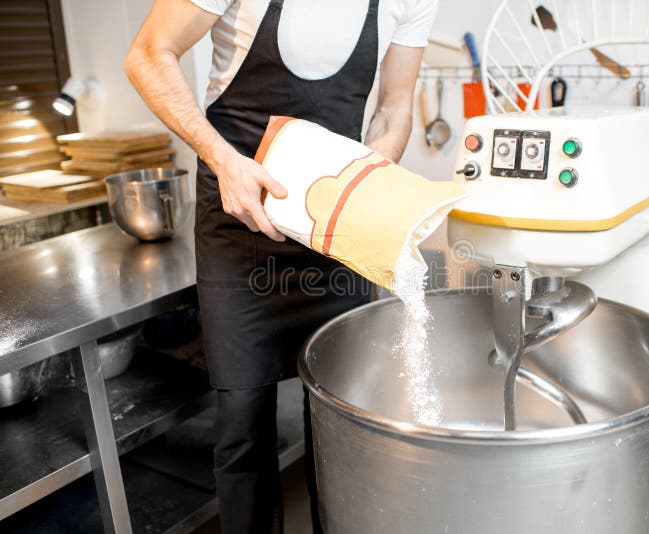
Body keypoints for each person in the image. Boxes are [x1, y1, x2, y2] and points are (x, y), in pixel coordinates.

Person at [126, 0, 437, 532]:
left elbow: (393, 109)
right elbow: (149, 55)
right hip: (239, 224)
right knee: (243, 426)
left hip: (333, 232)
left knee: (336, 423)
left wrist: (365, 187)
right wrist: (224, 161)